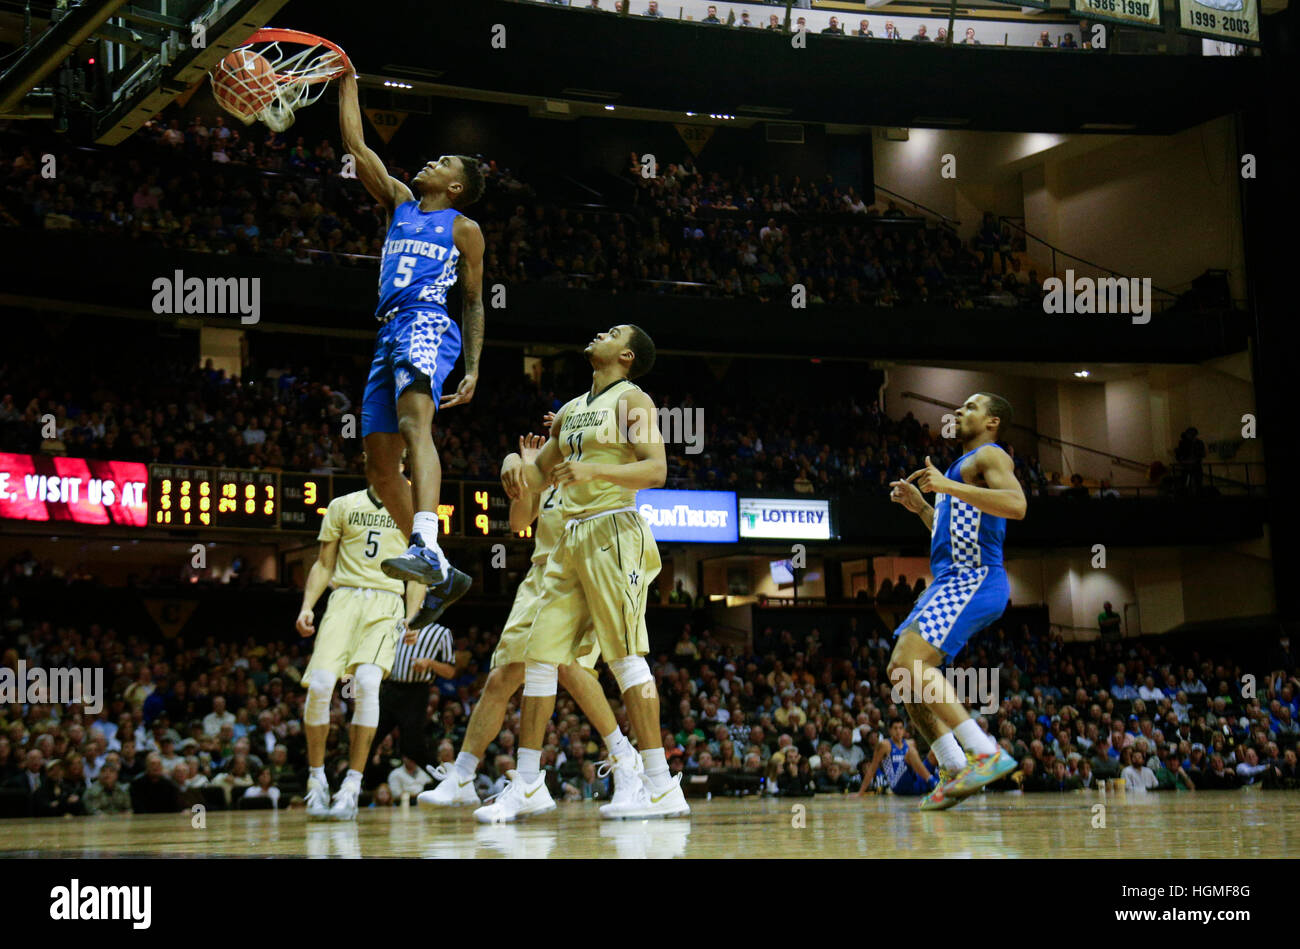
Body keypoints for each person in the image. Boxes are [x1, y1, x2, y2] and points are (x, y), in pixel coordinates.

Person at [476, 325, 689, 822]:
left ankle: (660, 785)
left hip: (615, 530)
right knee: (542, 657)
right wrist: (512, 461)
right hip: (569, 539)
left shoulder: (633, 400)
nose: (600, 333)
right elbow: (536, 473)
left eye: (612, 332)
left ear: (627, 354)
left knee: (623, 659)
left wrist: (595, 471)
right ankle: (528, 782)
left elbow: (656, 471)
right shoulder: (571, 411)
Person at [419, 431, 639, 814]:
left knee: (570, 670)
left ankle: (624, 760)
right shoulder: (548, 470)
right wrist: (522, 470)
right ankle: (462, 776)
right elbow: (520, 521)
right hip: (540, 577)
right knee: (500, 679)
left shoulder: (600, 464)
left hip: (582, 574)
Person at [337, 67, 483, 631]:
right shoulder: (399, 202)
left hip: (427, 323)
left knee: (414, 425)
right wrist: (345, 78)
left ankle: (425, 540)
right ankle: (441, 572)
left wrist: (471, 366)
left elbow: (472, 302)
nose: (431, 162)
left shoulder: (463, 227)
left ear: (456, 188)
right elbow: (356, 144)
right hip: (387, 329)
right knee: (377, 468)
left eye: (444, 163)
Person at [886, 392, 1025, 809]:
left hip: (974, 579)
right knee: (902, 675)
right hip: (951, 578)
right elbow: (953, 534)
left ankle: (984, 753)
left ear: (993, 422)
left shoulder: (990, 456)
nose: (960, 412)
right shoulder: (956, 469)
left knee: (910, 664)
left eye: (971, 407)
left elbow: (1017, 506)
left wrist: (947, 487)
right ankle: (952, 765)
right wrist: (924, 508)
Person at [296, 486, 419, 821]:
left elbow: (420, 568)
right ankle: (317, 779)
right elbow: (324, 563)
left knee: (366, 682)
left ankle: (351, 786)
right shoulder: (342, 504)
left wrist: (414, 615)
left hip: (387, 601)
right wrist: (308, 606)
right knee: (321, 685)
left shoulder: (413, 506)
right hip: (343, 599)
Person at [373, 619, 457, 789]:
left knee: (411, 745)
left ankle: (445, 783)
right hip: (389, 688)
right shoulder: (394, 624)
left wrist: (430, 663)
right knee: (370, 738)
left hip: (416, 692)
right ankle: (356, 785)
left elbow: (450, 672)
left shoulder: (442, 632)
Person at [856, 719, 939, 797]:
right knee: (911, 752)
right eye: (895, 728)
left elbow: (917, 766)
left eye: (900, 728)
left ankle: (945, 778)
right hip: (897, 784)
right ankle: (934, 782)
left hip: (914, 783)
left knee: (934, 751)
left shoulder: (910, 742)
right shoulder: (885, 745)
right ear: (890, 731)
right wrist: (860, 792)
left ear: (904, 730)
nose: (898, 731)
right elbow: (872, 769)